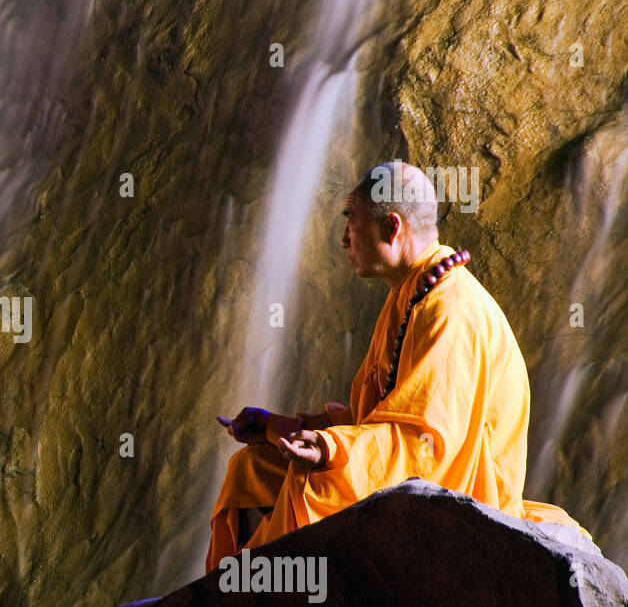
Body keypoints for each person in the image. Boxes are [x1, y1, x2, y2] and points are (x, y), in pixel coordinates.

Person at [206, 161, 595, 574]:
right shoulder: (411, 295)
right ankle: (229, 602)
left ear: (391, 229)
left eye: (351, 222)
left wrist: (330, 450)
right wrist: (276, 426)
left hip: (461, 493)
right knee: (252, 469)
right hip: (406, 466)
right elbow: (374, 418)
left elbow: (425, 448)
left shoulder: (450, 311)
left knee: (312, 482)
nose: (343, 240)